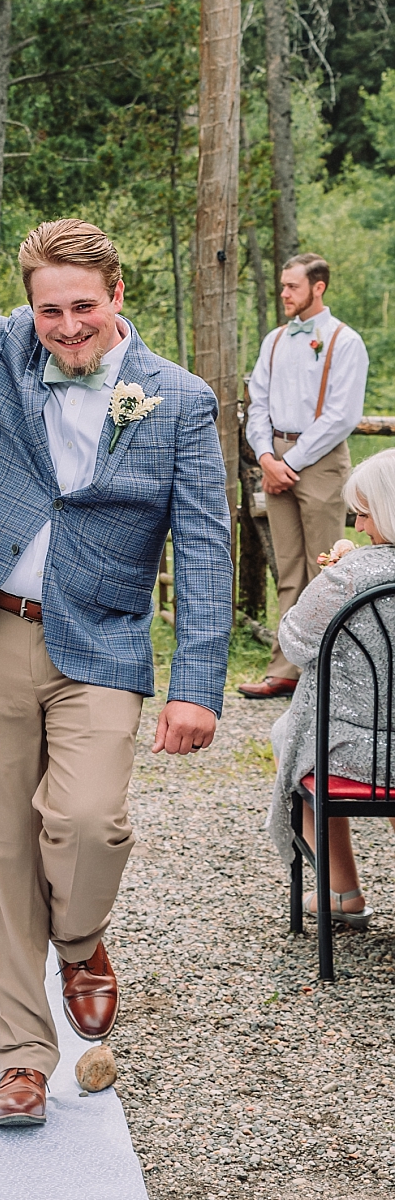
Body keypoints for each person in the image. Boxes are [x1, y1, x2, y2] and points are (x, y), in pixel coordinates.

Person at [0, 99, 232, 1131]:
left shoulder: (178, 399)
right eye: (50, 311)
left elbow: (205, 546)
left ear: (116, 295)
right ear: (29, 308)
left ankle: (80, 940)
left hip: (103, 638)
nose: (68, 327)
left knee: (85, 820)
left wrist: (197, 686)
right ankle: (22, 1058)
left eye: (84, 307)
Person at [266, 450, 395, 927]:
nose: (358, 525)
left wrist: (334, 582)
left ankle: (341, 889)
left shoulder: (351, 574)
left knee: (292, 734)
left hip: (355, 752)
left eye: (365, 513)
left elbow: (295, 643)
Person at [241, 253, 368, 699]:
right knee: (289, 569)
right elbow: (257, 403)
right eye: (282, 285)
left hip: (320, 460)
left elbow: (342, 414)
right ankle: (286, 669)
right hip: (274, 458)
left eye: (292, 286)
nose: (284, 294)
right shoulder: (274, 340)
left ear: (318, 287)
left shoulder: (344, 341)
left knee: (327, 568)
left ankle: (333, 673)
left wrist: (291, 462)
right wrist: (266, 456)